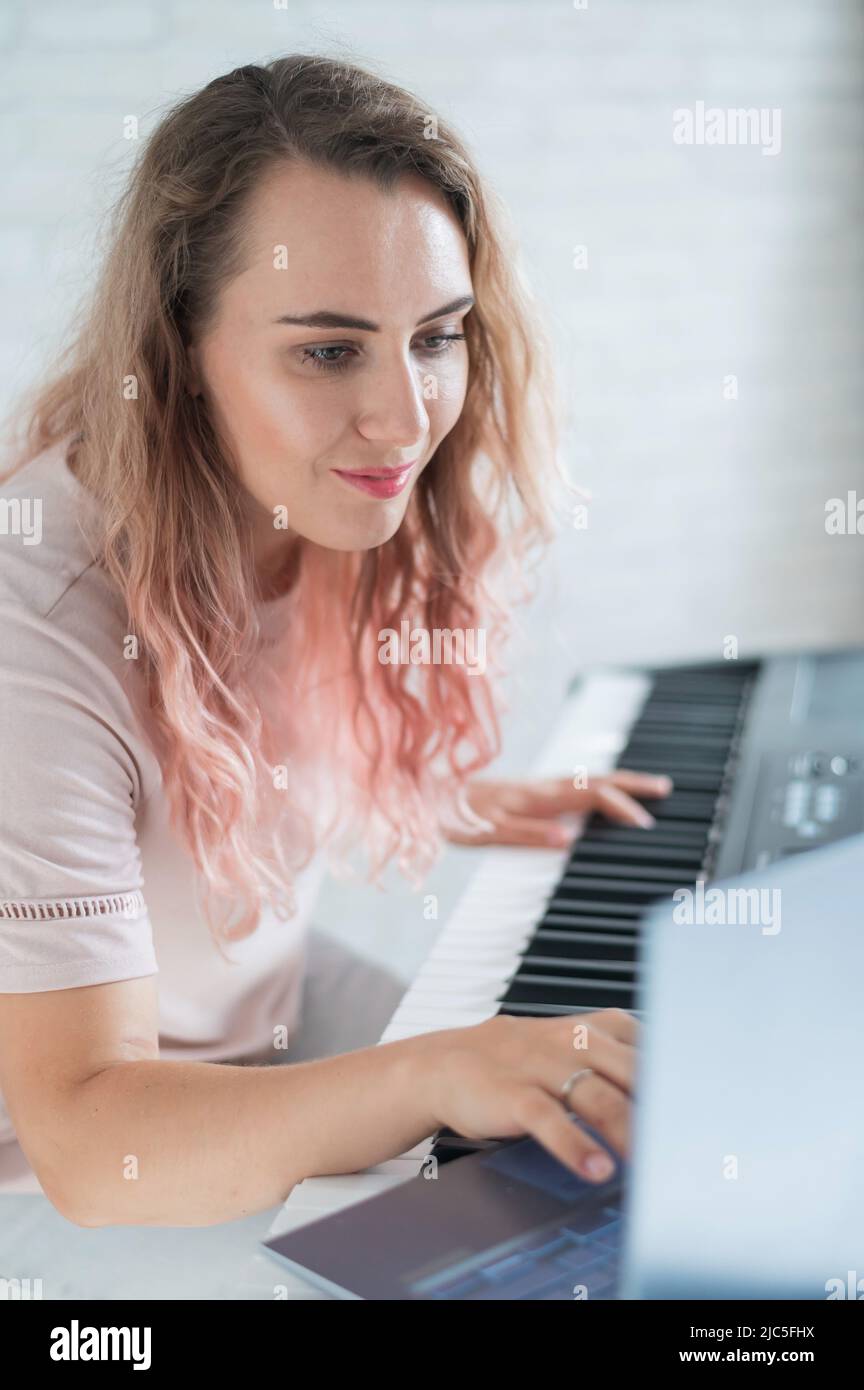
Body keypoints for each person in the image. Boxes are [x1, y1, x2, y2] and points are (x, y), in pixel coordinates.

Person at [0, 54, 672, 1228]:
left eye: (436, 336)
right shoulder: (34, 622)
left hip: (265, 1020)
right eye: (328, 350)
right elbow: (87, 1140)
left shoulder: (298, 491)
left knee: (593, 1133)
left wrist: (436, 793)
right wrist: (432, 1069)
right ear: (178, 354)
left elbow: (209, 766)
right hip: (76, 1176)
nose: (408, 419)